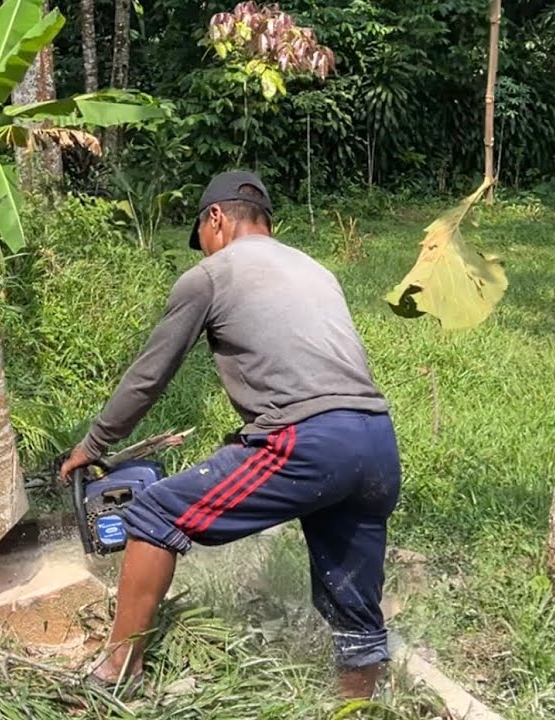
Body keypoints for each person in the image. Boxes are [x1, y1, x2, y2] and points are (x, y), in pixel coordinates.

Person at [59, 169, 402, 700]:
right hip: (376, 441)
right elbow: (306, 371)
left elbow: (149, 376)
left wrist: (94, 445)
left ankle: (117, 674)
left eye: (202, 239)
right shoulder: (316, 270)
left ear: (215, 218)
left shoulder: (213, 275)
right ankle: (355, 708)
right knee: (353, 604)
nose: (203, 252)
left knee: (154, 513)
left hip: (307, 442)